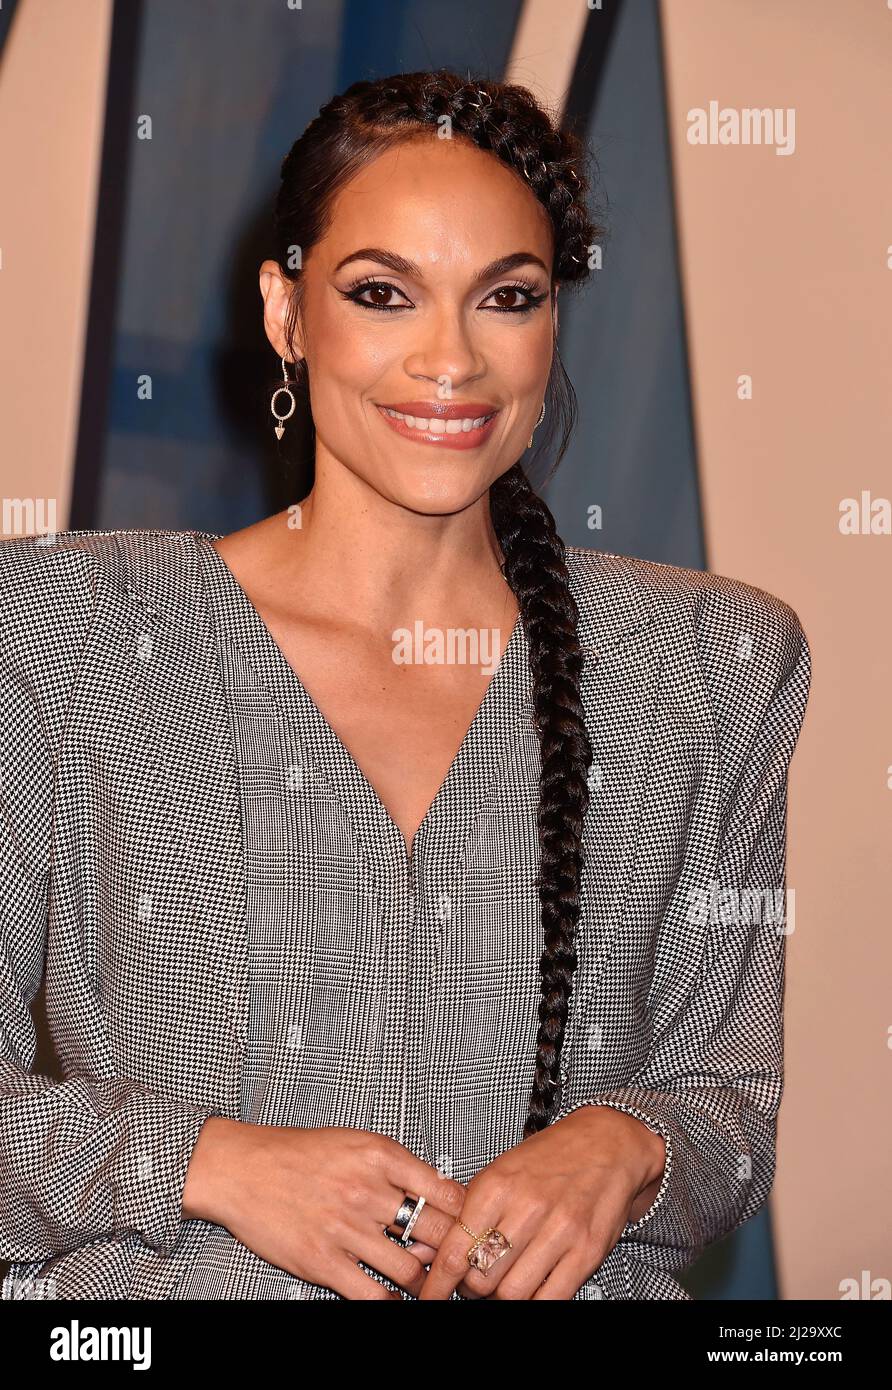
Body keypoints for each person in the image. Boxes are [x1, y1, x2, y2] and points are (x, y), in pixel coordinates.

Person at [0, 70, 810, 1302]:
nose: (451, 360)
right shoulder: (65, 631)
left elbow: (733, 1106)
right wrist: (206, 1161)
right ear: (284, 313)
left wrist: (630, 1148)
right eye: (382, 294)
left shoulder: (713, 659)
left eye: (508, 298)